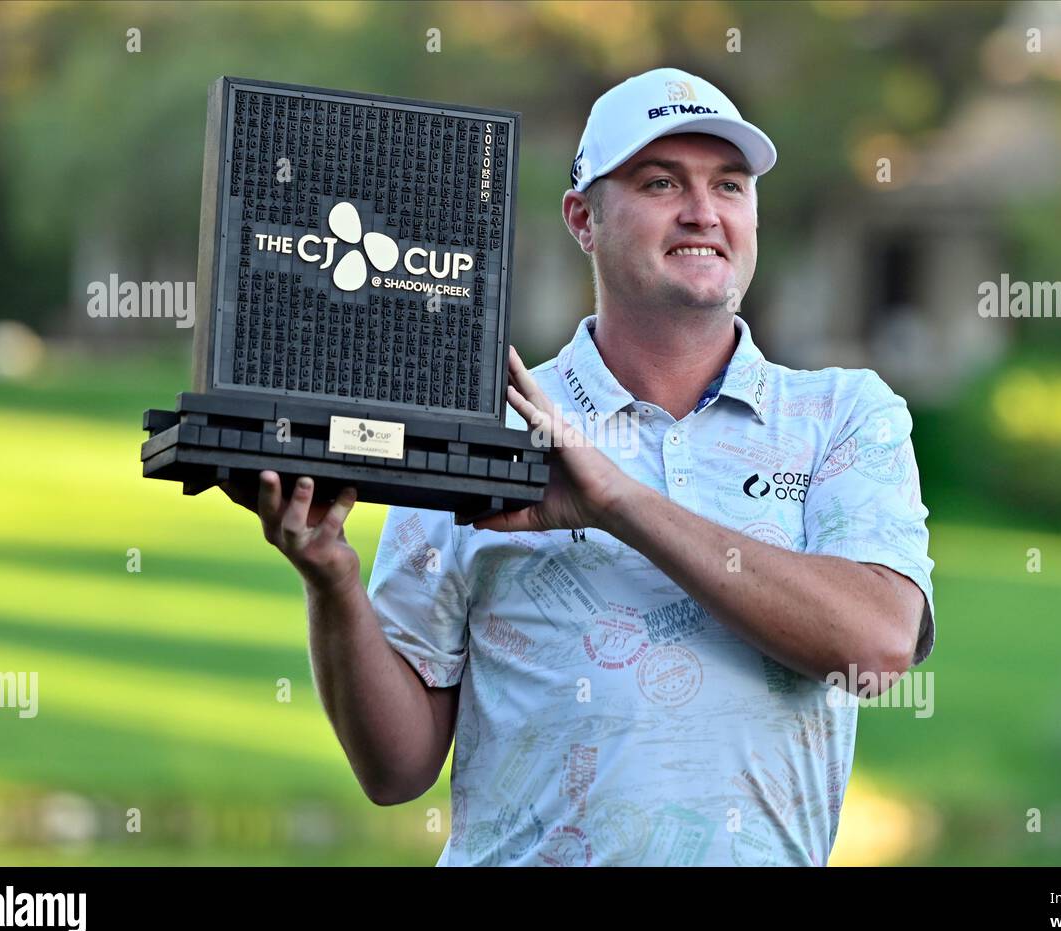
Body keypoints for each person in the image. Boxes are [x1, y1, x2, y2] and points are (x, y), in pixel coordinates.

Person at [224, 66, 935, 866]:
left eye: (729, 186)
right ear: (583, 218)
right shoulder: (485, 420)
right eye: (660, 182)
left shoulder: (842, 413)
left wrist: (615, 503)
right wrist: (333, 582)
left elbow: (877, 648)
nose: (702, 211)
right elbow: (396, 769)